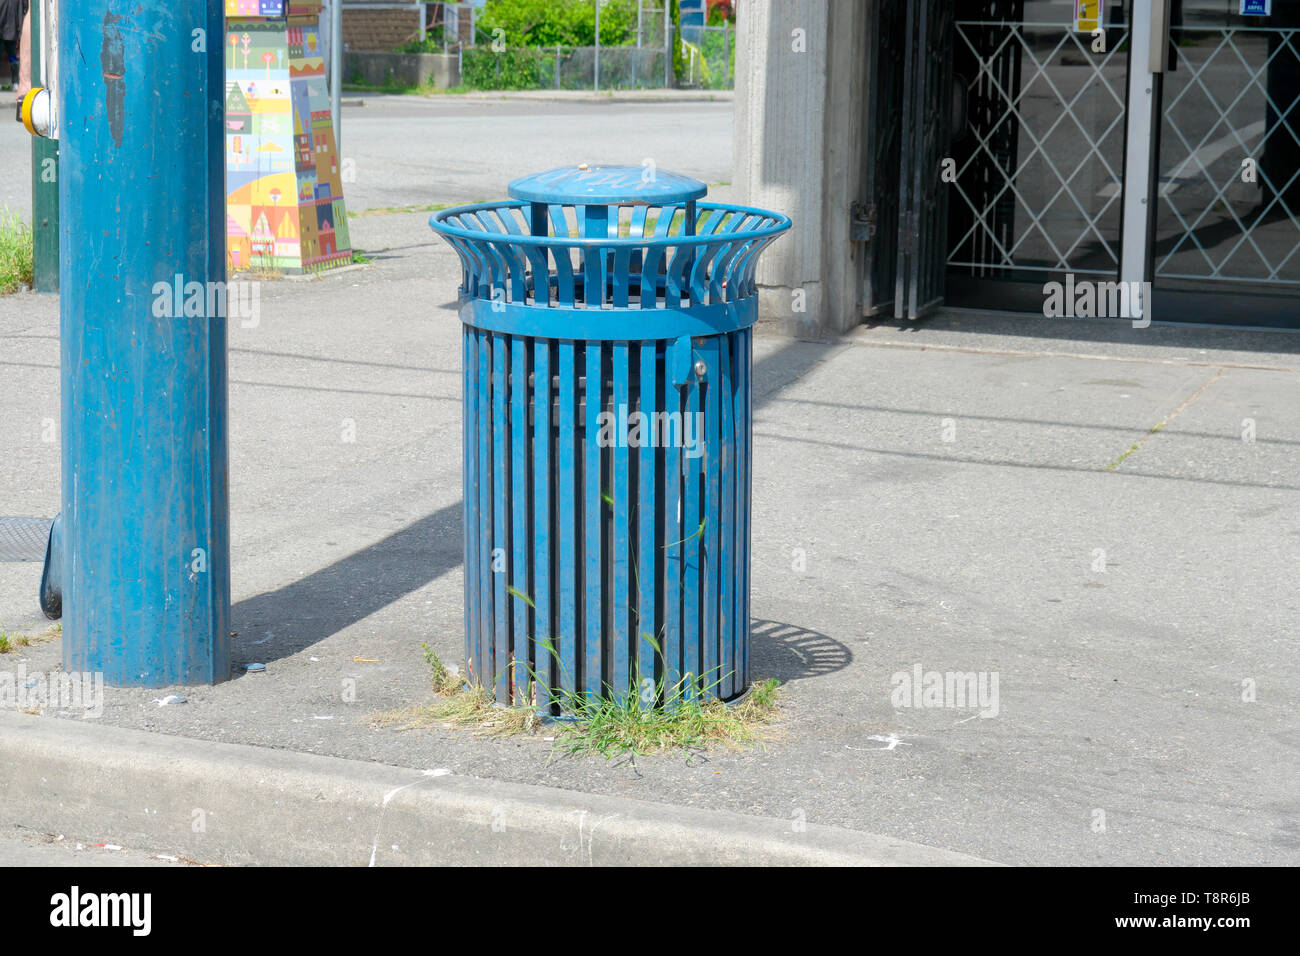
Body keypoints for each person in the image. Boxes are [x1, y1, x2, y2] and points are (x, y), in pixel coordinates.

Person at [0, 0, 28, 91]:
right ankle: (15, 83)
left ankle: (15, 82)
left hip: (5, 33)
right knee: (13, 59)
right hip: (12, 33)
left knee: (13, 59)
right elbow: (22, 13)